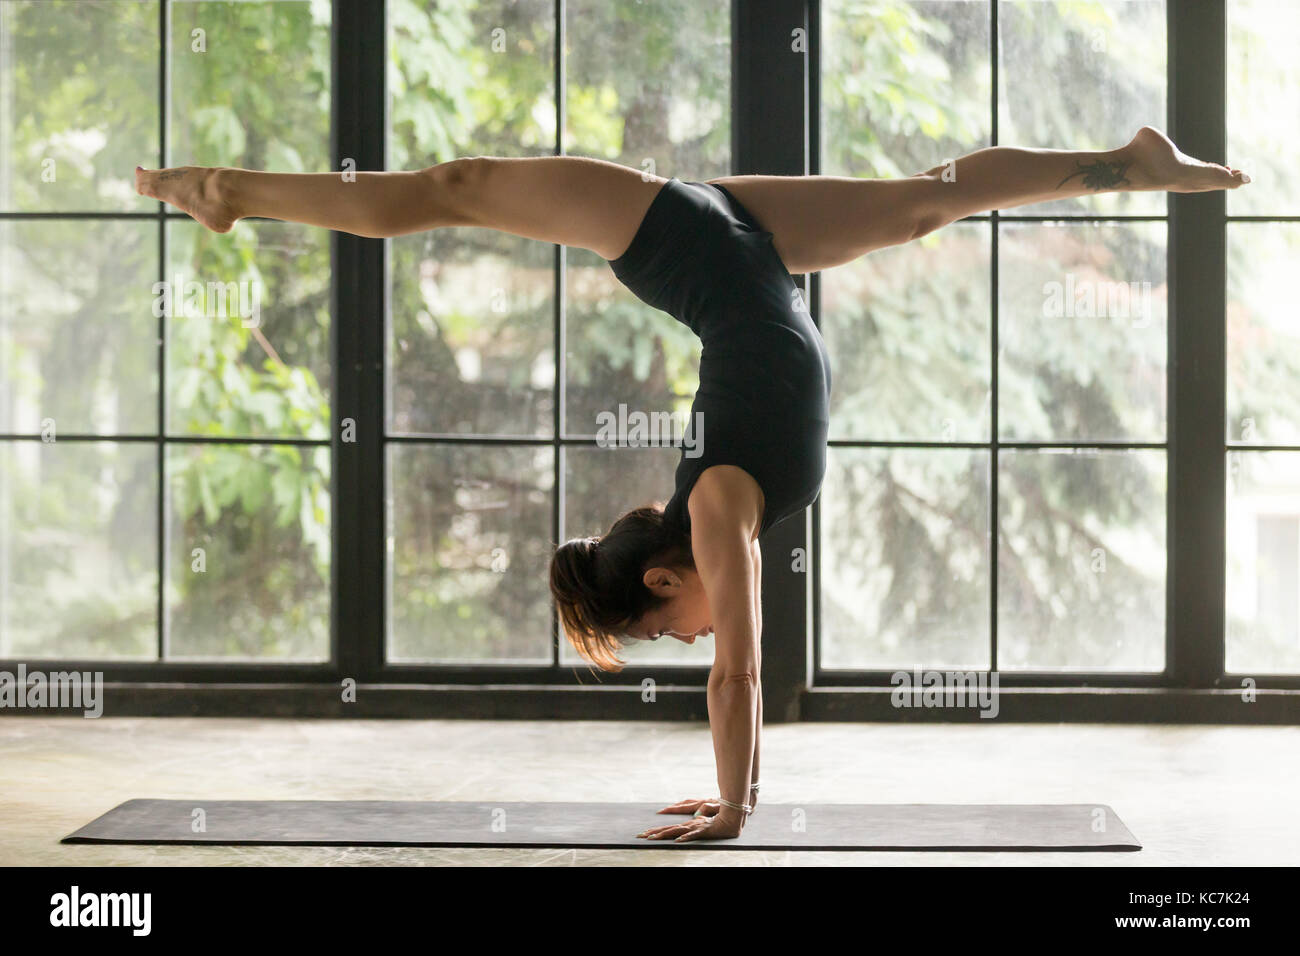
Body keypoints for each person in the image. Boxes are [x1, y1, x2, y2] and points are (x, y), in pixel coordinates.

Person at [136, 125, 1247, 843]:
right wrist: (739, 798)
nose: (695, 633)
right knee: (924, 202)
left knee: (453, 190)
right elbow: (739, 663)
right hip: (744, 244)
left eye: (669, 626)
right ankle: (1121, 163)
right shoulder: (723, 504)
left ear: (666, 573)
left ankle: (231, 189)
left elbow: (738, 674)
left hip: (681, 239)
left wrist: (734, 806)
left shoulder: (716, 505)